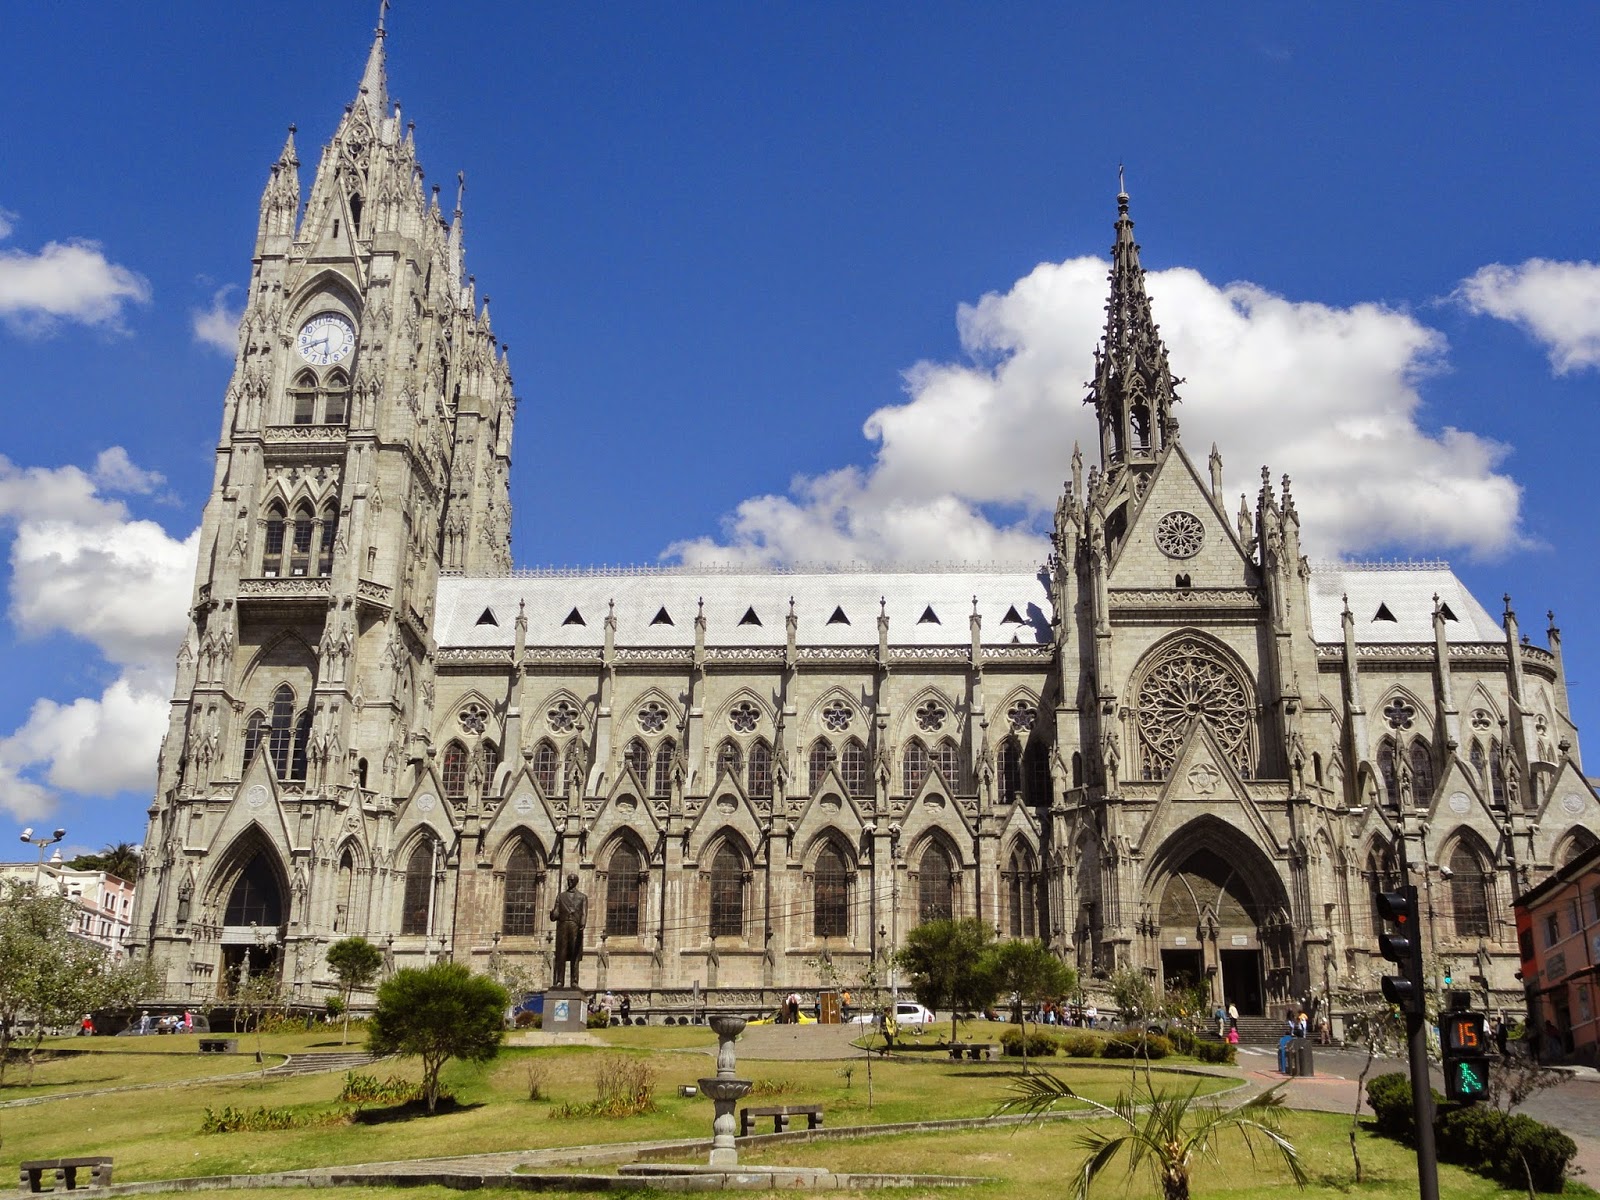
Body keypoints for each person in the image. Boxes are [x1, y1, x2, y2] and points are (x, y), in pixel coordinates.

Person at [549, 874, 588, 989]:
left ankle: (574, 981)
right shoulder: (561, 896)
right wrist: (552, 914)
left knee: (574, 954)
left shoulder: (582, 897)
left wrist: (583, 923)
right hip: (563, 926)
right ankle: (559, 981)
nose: (570, 882)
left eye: (572, 880)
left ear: (576, 882)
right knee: (561, 953)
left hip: (575, 926)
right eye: (568, 880)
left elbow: (584, 912)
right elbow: (555, 913)